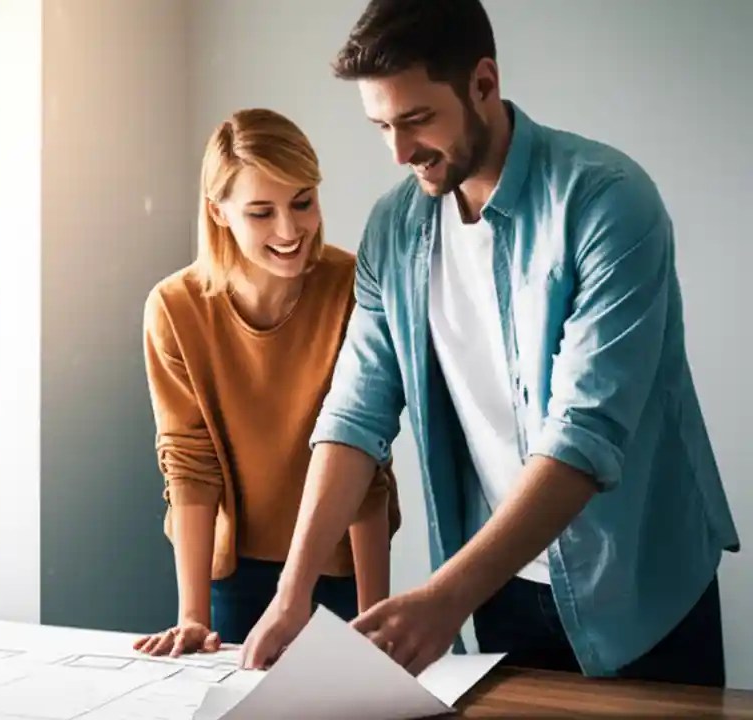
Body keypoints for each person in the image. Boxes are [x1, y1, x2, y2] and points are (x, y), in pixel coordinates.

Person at [240, 0, 739, 688]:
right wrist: (293, 596)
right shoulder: (394, 227)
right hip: (497, 595)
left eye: (417, 120)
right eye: (381, 125)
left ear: (483, 83)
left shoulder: (609, 202)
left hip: (637, 591)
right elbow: (355, 414)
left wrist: (445, 597)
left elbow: (585, 432)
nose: (399, 151)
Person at [133, 108, 402, 658]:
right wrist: (192, 617)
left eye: (302, 202)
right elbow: (189, 466)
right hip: (234, 572)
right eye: (261, 212)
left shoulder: (355, 288)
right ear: (219, 212)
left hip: (340, 565)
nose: (289, 230)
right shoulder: (174, 309)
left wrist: (375, 620)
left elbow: (366, 461)